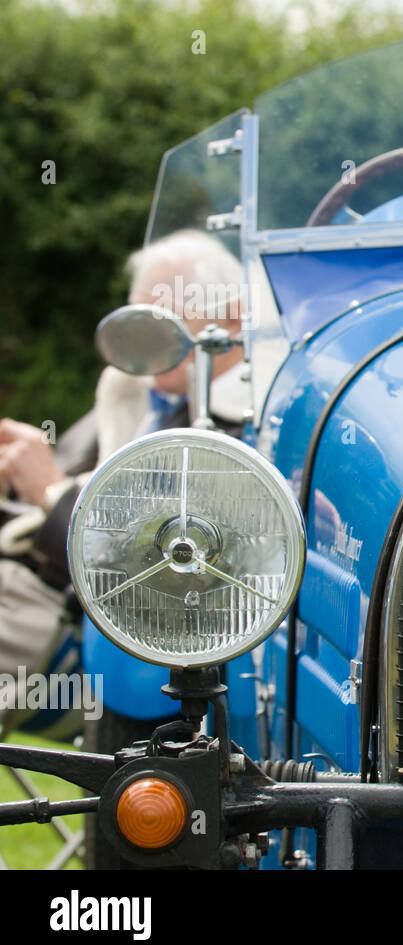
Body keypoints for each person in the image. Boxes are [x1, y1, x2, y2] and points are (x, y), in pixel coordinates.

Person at [0, 229, 246, 689]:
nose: (140, 342)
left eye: (162, 318)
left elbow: (167, 571)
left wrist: (51, 494)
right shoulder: (133, 394)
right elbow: (67, 474)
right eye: (134, 320)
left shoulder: (239, 430)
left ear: (231, 320)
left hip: (94, 630)